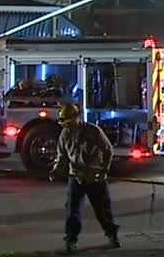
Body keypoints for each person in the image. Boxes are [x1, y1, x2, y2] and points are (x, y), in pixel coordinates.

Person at [50, 103, 120, 254]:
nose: (67, 126)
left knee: (102, 210)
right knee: (72, 211)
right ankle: (71, 240)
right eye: (65, 124)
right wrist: (56, 170)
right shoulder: (65, 134)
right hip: (76, 176)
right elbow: (61, 156)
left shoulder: (93, 131)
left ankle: (112, 234)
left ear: (77, 118)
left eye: (69, 123)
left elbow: (108, 150)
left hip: (95, 178)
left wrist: (104, 170)